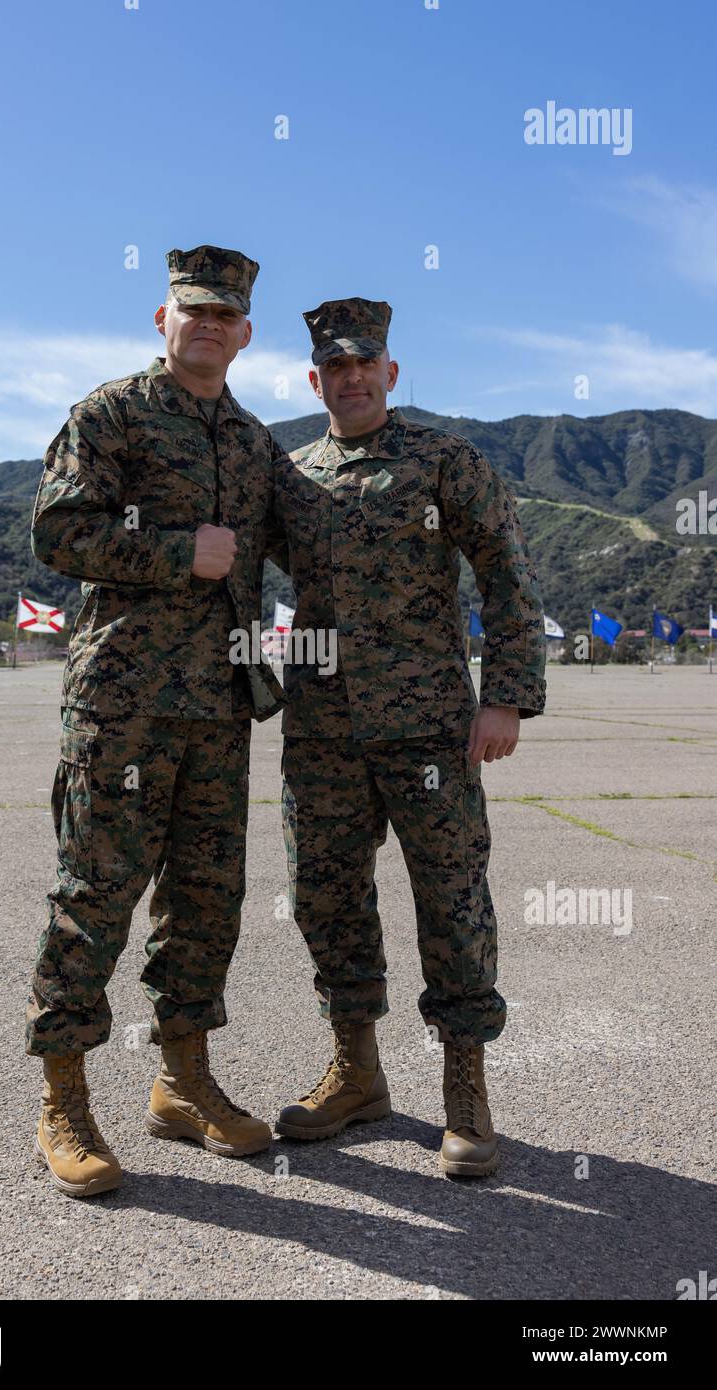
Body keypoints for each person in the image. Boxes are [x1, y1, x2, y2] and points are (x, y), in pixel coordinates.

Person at [25, 245, 286, 1197]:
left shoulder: (255, 444)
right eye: (192, 311)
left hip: (220, 706)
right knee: (94, 896)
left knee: (206, 902)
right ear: (162, 320)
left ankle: (182, 1084)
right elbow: (57, 532)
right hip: (124, 702)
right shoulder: (111, 414)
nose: (208, 325)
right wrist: (181, 551)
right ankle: (64, 1100)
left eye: (224, 315)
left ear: (244, 332)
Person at [273, 297, 546, 1177]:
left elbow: (505, 568)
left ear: (389, 374)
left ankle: (464, 1089)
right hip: (321, 727)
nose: (350, 380)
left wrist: (504, 696)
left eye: (366, 367)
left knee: (451, 899)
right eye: (334, 370)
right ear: (315, 381)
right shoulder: (291, 474)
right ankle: (356, 1071)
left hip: (429, 724)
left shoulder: (441, 459)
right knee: (325, 896)